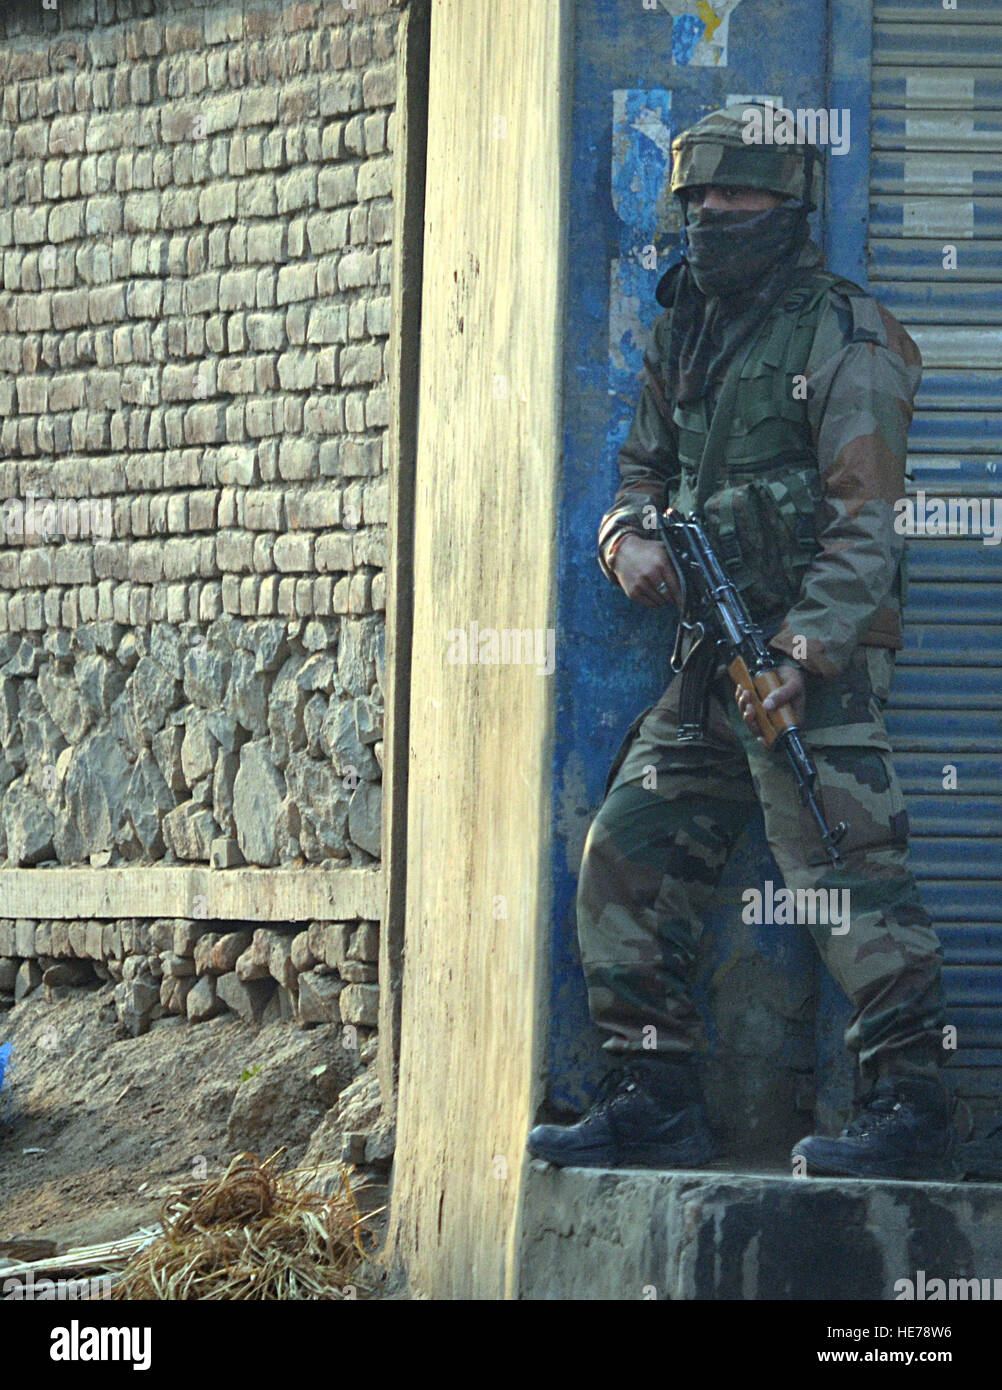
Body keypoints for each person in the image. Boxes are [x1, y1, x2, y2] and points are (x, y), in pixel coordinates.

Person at [528, 104, 960, 1181]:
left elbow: (865, 528)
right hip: (707, 662)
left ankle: (911, 1107)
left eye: (735, 201)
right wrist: (624, 535)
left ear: (786, 207)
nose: (712, 220)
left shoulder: (842, 333)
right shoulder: (689, 327)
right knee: (623, 852)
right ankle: (653, 1098)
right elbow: (643, 467)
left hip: (815, 669)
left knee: (842, 867)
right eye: (697, 203)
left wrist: (800, 656)